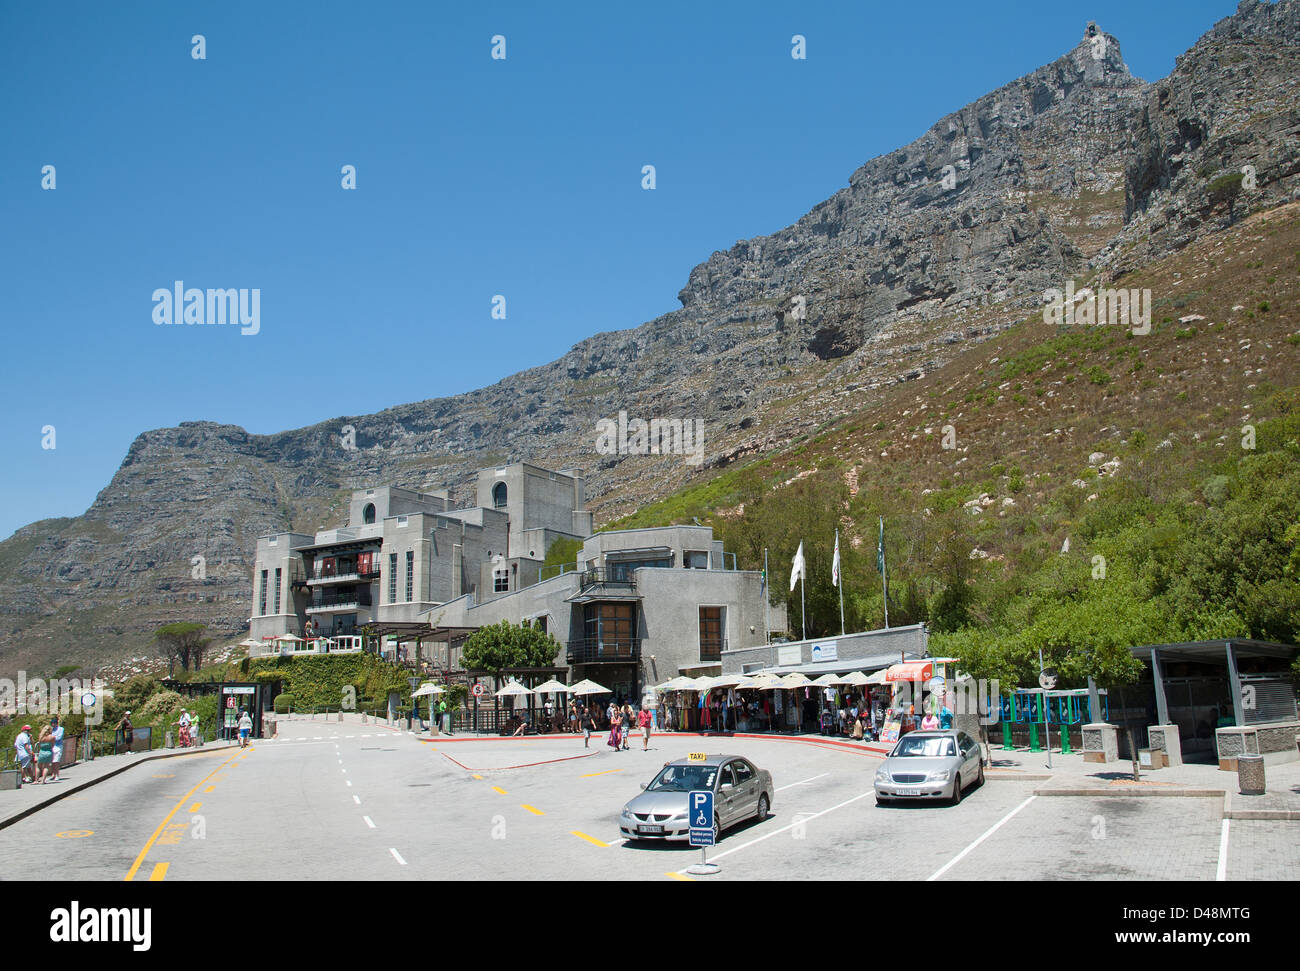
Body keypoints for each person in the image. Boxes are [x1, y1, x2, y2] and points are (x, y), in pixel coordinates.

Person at [49, 716, 65, 781]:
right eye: (52, 723)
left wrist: (52, 738)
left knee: (56, 761)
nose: (53, 724)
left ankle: (57, 775)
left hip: (58, 746)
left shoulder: (61, 729)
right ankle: (53, 774)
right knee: (52, 761)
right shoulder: (51, 730)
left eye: (54, 723)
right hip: (52, 746)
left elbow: (59, 738)